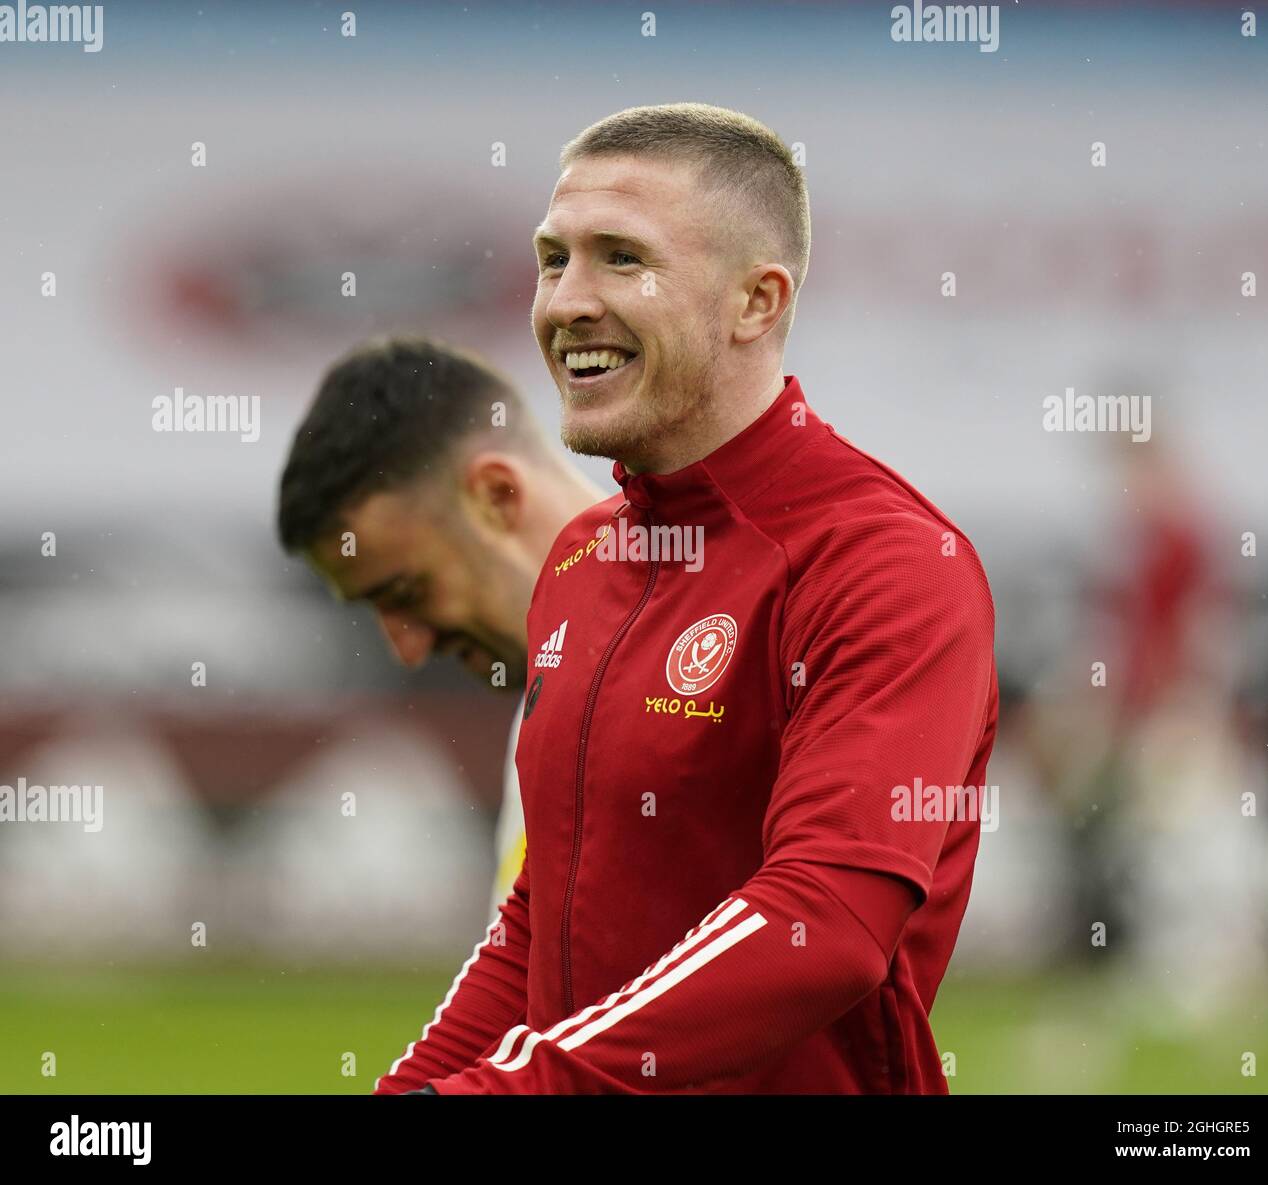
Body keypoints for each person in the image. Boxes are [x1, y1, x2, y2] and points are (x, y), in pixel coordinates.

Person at [380, 102, 999, 1095]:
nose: (566, 302)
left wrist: (518, 1093)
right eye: (553, 259)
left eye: (621, 258)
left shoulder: (884, 562)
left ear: (755, 302)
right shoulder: (583, 561)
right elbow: (541, 919)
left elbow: (826, 923)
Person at [276, 335, 604, 918]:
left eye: (407, 593)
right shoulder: (551, 704)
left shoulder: (723, 675)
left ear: (496, 497)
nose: (407, 649)